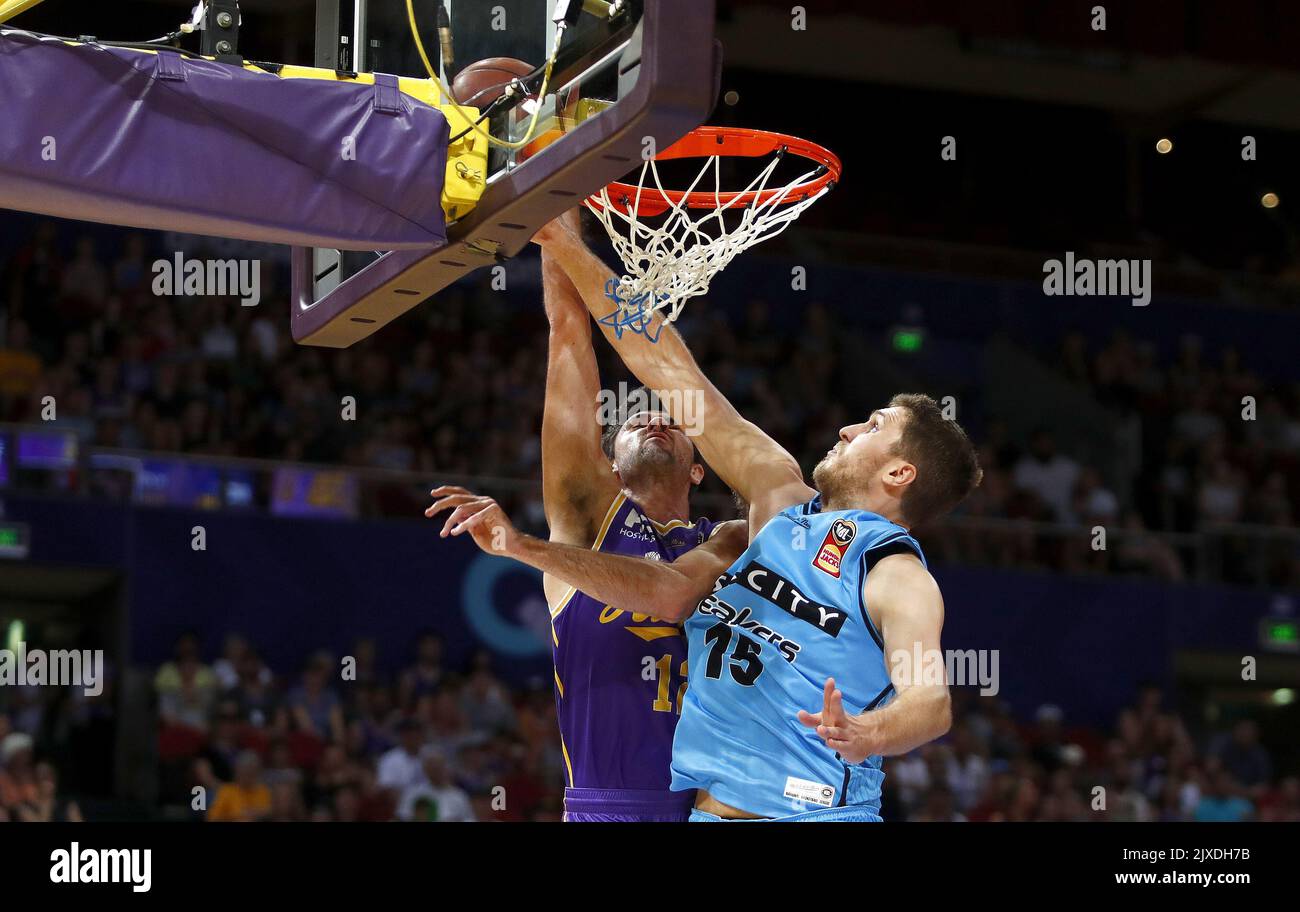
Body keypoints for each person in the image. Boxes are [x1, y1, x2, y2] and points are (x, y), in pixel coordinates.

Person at [431, 214, 982, 821]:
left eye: (874, 427)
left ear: (899, 474)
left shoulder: (896, 573)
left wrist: (869, 733)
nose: (849, 428)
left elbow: (929, 701)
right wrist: (563, 243)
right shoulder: (776, 502)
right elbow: (672, 372)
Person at [428, 215, 747, 822]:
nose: (652, 418)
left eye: (672, 421)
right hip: (613, 807)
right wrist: (558, 203)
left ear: (702, 468)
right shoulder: (585, 516)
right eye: (631, 420)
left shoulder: (731, 541)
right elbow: (567, 328)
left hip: (725, 808)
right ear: (612, 462)